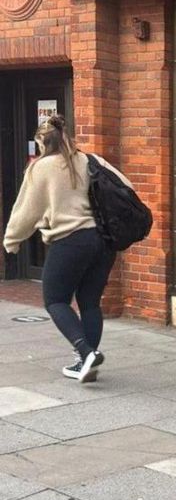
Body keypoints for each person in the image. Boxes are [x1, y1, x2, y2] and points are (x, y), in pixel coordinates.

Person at [2, 116, 125, 382]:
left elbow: (26, 210)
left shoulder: (41, 167)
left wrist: (11, 240)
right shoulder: (91, 160)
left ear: (41, 142)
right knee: (90, 302)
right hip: (103, 242)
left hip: (70, 240)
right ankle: (86, 363)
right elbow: (126, 187)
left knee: (55, 300)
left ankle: (85, 351)